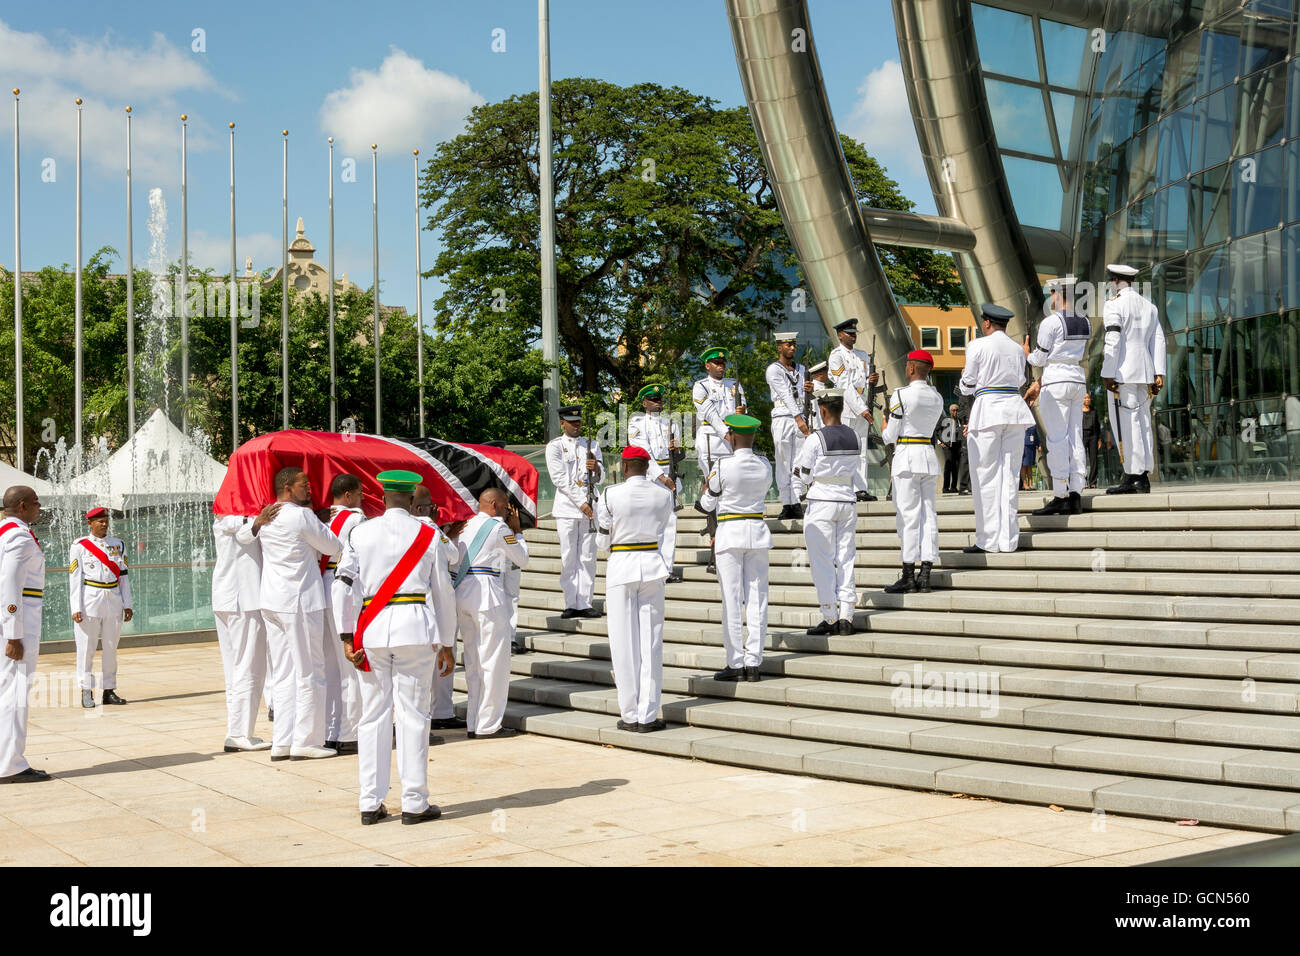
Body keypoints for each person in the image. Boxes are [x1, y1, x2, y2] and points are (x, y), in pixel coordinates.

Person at [334, 470, 456, 826]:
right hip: (415, 627)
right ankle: (414, 802)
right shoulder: (429, 532)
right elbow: (443, 591)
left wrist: (346, 635)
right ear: (412, 498)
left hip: (372, 630)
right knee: (414, 715)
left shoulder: (361, 531)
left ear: (384, 496)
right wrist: (447, 642)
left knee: (372, 716)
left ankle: (370, 802)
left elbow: (342, 586)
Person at [257, 466, 343, 761]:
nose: (309, 488)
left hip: (272, 599)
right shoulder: (301, 515)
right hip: (299, 601)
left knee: (283, 673)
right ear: (287, 488)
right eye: (303, 484)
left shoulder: (268, 515)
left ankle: (282, 741)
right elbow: (334, 546)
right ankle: (306, 740)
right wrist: (320, 525)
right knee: (310, 671)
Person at [595, 446, 675, 731]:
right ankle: (648, 715)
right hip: (652, 564)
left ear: (625, 467)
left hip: (621, 566)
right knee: (651, 643)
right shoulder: (664, 495)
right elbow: (663, 528)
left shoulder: (609, 494)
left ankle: (629, 714)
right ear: (647, 466)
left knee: (622, 642)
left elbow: (602, 541)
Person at [698, 414, 772, 682]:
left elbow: (706, 504)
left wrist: (706, 488)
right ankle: (754, 662)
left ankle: (735, 663)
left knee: (731, 600)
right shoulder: (765, 465)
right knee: (757, 599)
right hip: (758, 533)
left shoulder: (722, 464)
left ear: (733, 437)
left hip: (730, 534)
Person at [959, 303, 1036, 554]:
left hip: (988, 411)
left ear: (987, 323)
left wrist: (964, 383)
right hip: (1013, 411)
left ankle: (988, 540)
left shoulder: (977, 345)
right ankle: (1008, 539)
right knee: (1010, 476)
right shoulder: (1016, 349)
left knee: (986, 476)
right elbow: (1022, 380)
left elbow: (968, 382)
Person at [452, 488, 528, 739]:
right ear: (494, 504)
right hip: (487, 595)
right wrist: (517, 531)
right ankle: (489, 725)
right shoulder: (499, 528)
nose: (508, 512)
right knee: (494, 661)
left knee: (473, 662)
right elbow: (522, 558)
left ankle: (474, 722)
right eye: (506, 507)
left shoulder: (467, 524)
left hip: (463, 593)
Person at [212, 503, 280, 752]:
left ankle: (237, 730)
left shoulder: (225, 517)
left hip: (227, 597)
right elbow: (241, 529)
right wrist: (258, 520)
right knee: (249, 667)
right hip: (243, 599)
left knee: (236, 669)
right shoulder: (235, 519)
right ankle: (241, 733)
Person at [793, 388, 860, 635]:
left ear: (822, 410)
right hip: (847, 500)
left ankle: (830, 615)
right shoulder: (855, 435)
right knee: (846, 557)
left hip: (821, 499)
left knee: (822, 561)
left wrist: (799, 491)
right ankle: (847, 616)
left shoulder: (815, 438)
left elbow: (804, 473)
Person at [1025, 275, 1091, 514]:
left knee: (1056, 438)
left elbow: (1040, 359)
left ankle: (1060, 493)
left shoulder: (1050, 323)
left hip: (1056, 381)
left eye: (1051, 294)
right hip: (1076, 378)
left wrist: (1026, 354)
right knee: (1075, 436)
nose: (1050, 298)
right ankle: (1075, 492)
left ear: (1058, 294)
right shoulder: (1085, 321)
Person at [882, 350, 944, 594]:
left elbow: (890, 435)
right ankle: (925, 573)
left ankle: (908, 574)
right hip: (928, 457)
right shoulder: (937, 397)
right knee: (928, 515)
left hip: (907, 457)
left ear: (910, 369)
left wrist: (884, 427)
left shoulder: (900, 394)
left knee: (907, 516)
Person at [1101, 263, 1166, 494]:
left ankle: (1134, 475)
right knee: (1143, 422)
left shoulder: (1114, 305)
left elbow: (1113, 340)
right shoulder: (1149, 306)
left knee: (1127, 425)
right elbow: (1158, 340)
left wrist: (1108, 372)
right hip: (1145, 372)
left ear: (1115, 281)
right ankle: (1140, 475)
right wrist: (1159, 373)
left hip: (1123, 373)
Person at [0, 486, 51, 784]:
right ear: (22, 506)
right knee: (15, 692)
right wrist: (14, 634)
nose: (39, 507)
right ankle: (12, 764)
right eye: (35, 503)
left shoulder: (4, 531)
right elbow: (10, 583)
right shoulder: (18, 535)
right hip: (18, 623)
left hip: (11, 620)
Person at [67, 507, 133, 708]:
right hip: (90, 600)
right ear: (90, 523)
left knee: (111, 647)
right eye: (99, 521)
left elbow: (123, 577)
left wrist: (127, 604)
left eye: (105, 521)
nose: (104, 524)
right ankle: (86, 691)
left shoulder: (118, 544)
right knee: (86, 647)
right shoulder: (80, 546)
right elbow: (75, 577)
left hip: (113, 599)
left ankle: (109, 690)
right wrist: (75, 607)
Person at [412, 485, 465, 732]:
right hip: (432, 604)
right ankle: (441, 710)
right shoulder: (430, 529)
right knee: (439, 659)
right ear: (426, 509)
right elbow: (452, 555)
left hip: (406, 607)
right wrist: (443, 530)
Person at [319, 474, 365, 755]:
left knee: (328, 666)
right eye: (359, 494)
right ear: (348, 495)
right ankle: (350, 731)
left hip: (320, 586)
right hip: (344, 586)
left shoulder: (322, 519)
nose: (361, 499)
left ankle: (330, 730)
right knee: (350, 664)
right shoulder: (356, 519)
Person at [544, 403, 603, 619]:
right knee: (569, 556)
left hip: (589, 504)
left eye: (578, 422)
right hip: (568, 508)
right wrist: (581, 503)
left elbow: (601, 477)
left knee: (588, 556)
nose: (576, 426)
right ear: (563, 423)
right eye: (572, 423)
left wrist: (595, 468)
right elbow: (560, 479)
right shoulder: (555, 446)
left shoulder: (592, 444)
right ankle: (571, 602)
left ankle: (585, 602)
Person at [627, 383, 684, 583]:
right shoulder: (636, 423)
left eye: (659, 399)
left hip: (671, 475)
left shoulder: (672, 423)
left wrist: (676, 449)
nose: (657, 402)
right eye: (653, 400)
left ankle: (666, 569)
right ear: (644, 403)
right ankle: (652, 568)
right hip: (651, 477)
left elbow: (679, 452)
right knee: (651, 525)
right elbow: (643, 452)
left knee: (670, 525)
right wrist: (661, 477)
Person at [827, 318, 879, 501]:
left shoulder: (862, 355)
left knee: (862, 449)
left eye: (854, 333)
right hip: (847, 407)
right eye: (849, 333)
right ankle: (847, 487)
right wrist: (862, 409)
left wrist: (870, 381)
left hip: (862, 401)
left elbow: (861, 383)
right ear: (840, 335)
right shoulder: (836, 356)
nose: (853, 336)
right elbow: (844, 385)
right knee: (847, 449)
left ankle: (860, 488)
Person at [766, 331, 812, 520]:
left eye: (793, 344)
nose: (792, 348)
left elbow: (803, 394)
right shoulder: (774, 370)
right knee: (784, 461)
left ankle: (796, 501)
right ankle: (787, 502)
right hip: (784, 417)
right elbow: (785, 394)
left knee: (799, 461)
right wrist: (798, 418)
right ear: (779, 347)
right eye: (788, 345)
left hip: (800, 415)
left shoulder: (801, 369)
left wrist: (811, 388)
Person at [941, 403, 962, 493]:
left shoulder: (961, 421)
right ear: (950, 411)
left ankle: (953, 487)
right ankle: (945, 487)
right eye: (953, 410)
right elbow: (938, 430)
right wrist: (941, 442)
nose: (955, 412)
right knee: (948, 465)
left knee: (956, 467)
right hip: (948, 446)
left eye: (957, 410)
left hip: (957, 446)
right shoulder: (946, 420)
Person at [1082, 393, 1102, 488]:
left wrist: (1099, 438)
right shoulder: (1078, 411)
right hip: (1082, 436)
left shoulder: (1094, 410)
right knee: (1082, 459)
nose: (1087, 399)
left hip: (1093, 436)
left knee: (1093, 459)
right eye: (1085, 398)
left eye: (1088, 397)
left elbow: (1098, 425)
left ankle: (1093, 482)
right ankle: (1083, 481)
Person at [806, 362, 830, 433]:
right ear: (820, 374)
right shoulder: (813, 387)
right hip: (817, 427)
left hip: (823, 426)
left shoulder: (822, 387)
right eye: (827, 372)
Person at [1021, 424, 1040, 491]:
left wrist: (1039, 444)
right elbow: (1020, 436)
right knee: (1024, 465)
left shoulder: (1033, 423)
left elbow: (1036, 435)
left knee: (1030, 466)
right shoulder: (1022, 423)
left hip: (1032, 446)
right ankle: (1024, 484)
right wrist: (1021, 447)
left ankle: (1030, 484)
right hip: (1024, 446)